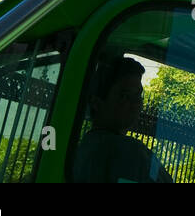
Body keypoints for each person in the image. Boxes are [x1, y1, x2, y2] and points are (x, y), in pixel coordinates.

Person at [71, 55, 173, 183]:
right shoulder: (129, 151)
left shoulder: (80, 150)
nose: (136, 103)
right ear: (96, 103)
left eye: (138, 95)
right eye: (125, 95)